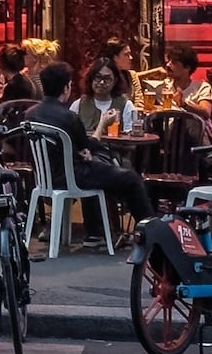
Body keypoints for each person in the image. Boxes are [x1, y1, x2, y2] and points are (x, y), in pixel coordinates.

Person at [24, 61, 154, 250]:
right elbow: (88, 146)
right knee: (131, 179)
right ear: (67, 87)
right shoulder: (68, 116)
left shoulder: (30, 114)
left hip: (46, 177)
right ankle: (149, 231)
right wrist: (102, 125)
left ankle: (98, 231)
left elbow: (80, 148)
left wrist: (83, 151)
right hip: (73, 175)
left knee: (104, 170)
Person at [73, 56, 138, 137]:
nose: (102, 82)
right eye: (98, 77)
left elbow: (131, 141)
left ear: (115, 81)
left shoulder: (126, 105)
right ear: (91, 79)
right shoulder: (79, 104)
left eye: (107, 79)